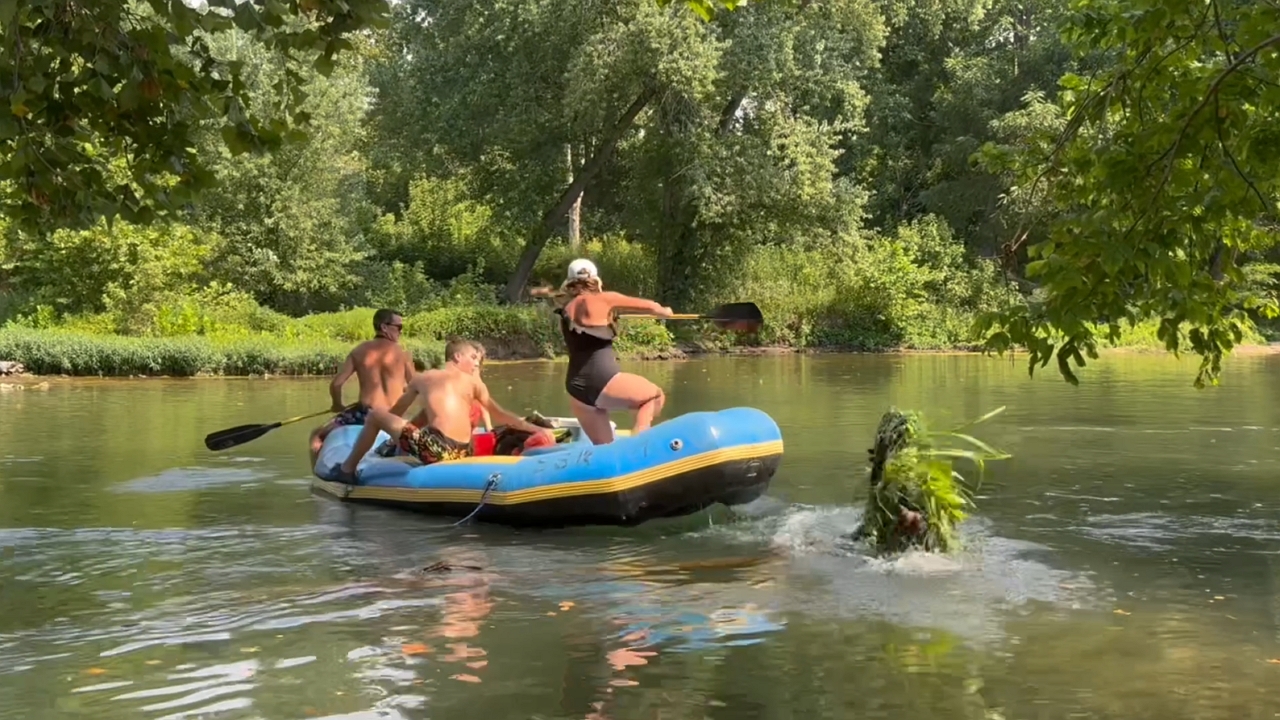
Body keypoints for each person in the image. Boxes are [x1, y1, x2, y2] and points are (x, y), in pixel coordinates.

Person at [326, 338, 552, 482]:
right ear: (457, 356)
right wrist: (533, 428)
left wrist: (392, 433)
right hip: (464, 452)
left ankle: (346, 470)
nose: (476, 363)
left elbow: (394, 414)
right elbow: (502, 415)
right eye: (473, 357)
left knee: (375, 415)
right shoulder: (474, 384)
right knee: (425, 417)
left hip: (437, 451)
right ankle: (381, 452)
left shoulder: (424, 379)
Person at [553, 258, 673, 445]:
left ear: (570, 283)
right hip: (604, 379)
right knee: (654, 396)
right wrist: (663, 311)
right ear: (596, 280)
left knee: (606, 448)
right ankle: (640, 440)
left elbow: (590, 324)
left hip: (576, 389)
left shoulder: (566, 309)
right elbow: (651, 307)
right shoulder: (606, 298)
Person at [309, 308, 415, 466]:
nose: (401, 331)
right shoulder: (403, 353)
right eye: (398, 327)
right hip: (394, 415)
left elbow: (337, 384)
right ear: (384, 327)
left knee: (316, 435)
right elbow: (417, 386)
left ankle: (321, 479)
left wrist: (337, 405)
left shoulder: (359, 351)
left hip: (364, 415)